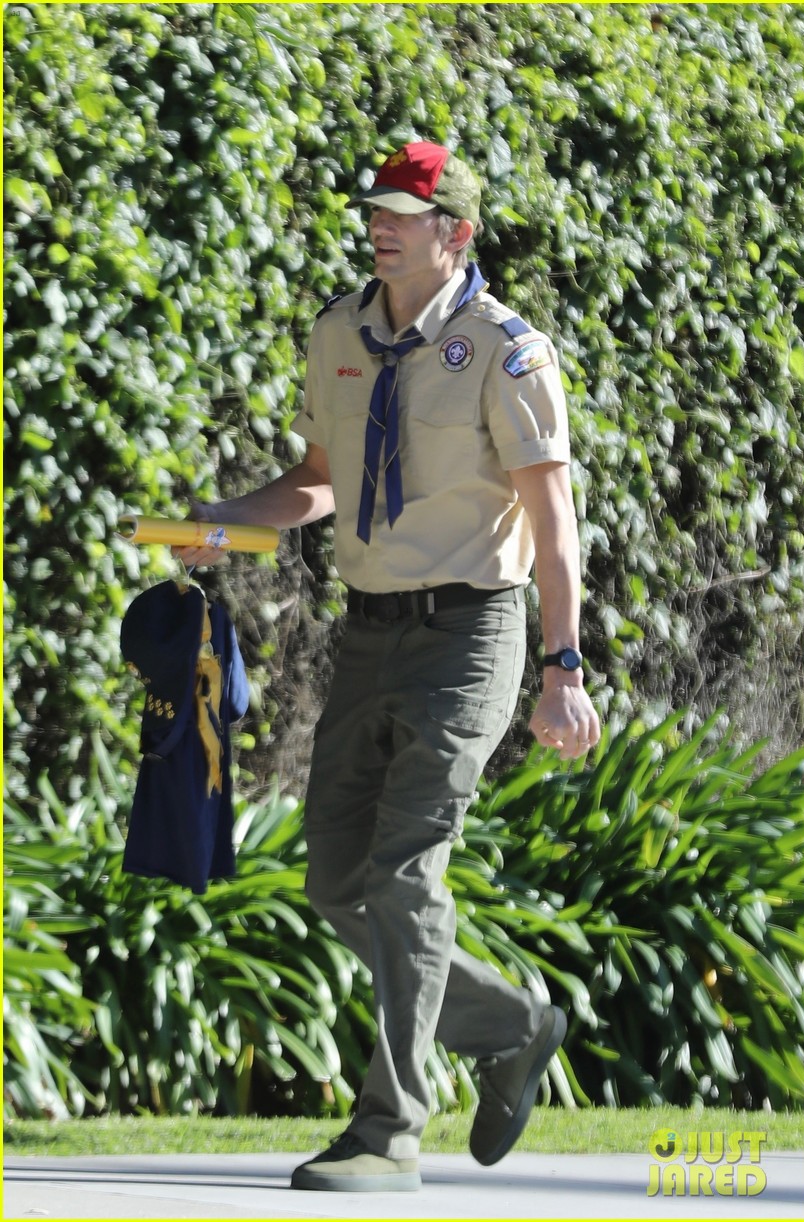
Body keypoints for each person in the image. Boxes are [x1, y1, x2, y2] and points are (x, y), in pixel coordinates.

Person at [176, 140, 601, 1192]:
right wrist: (223, 525)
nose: (380, 225)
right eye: (375, 209)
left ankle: (388, 1132)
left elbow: (551, 518)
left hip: (472, 634)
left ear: (452, 233)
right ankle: (512, 1026)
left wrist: (562, 667)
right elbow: (320, 480)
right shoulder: (338, 331)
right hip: (368, 629)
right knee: (336, 881)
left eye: (403, 213)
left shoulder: (507, 351)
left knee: (407, 872)